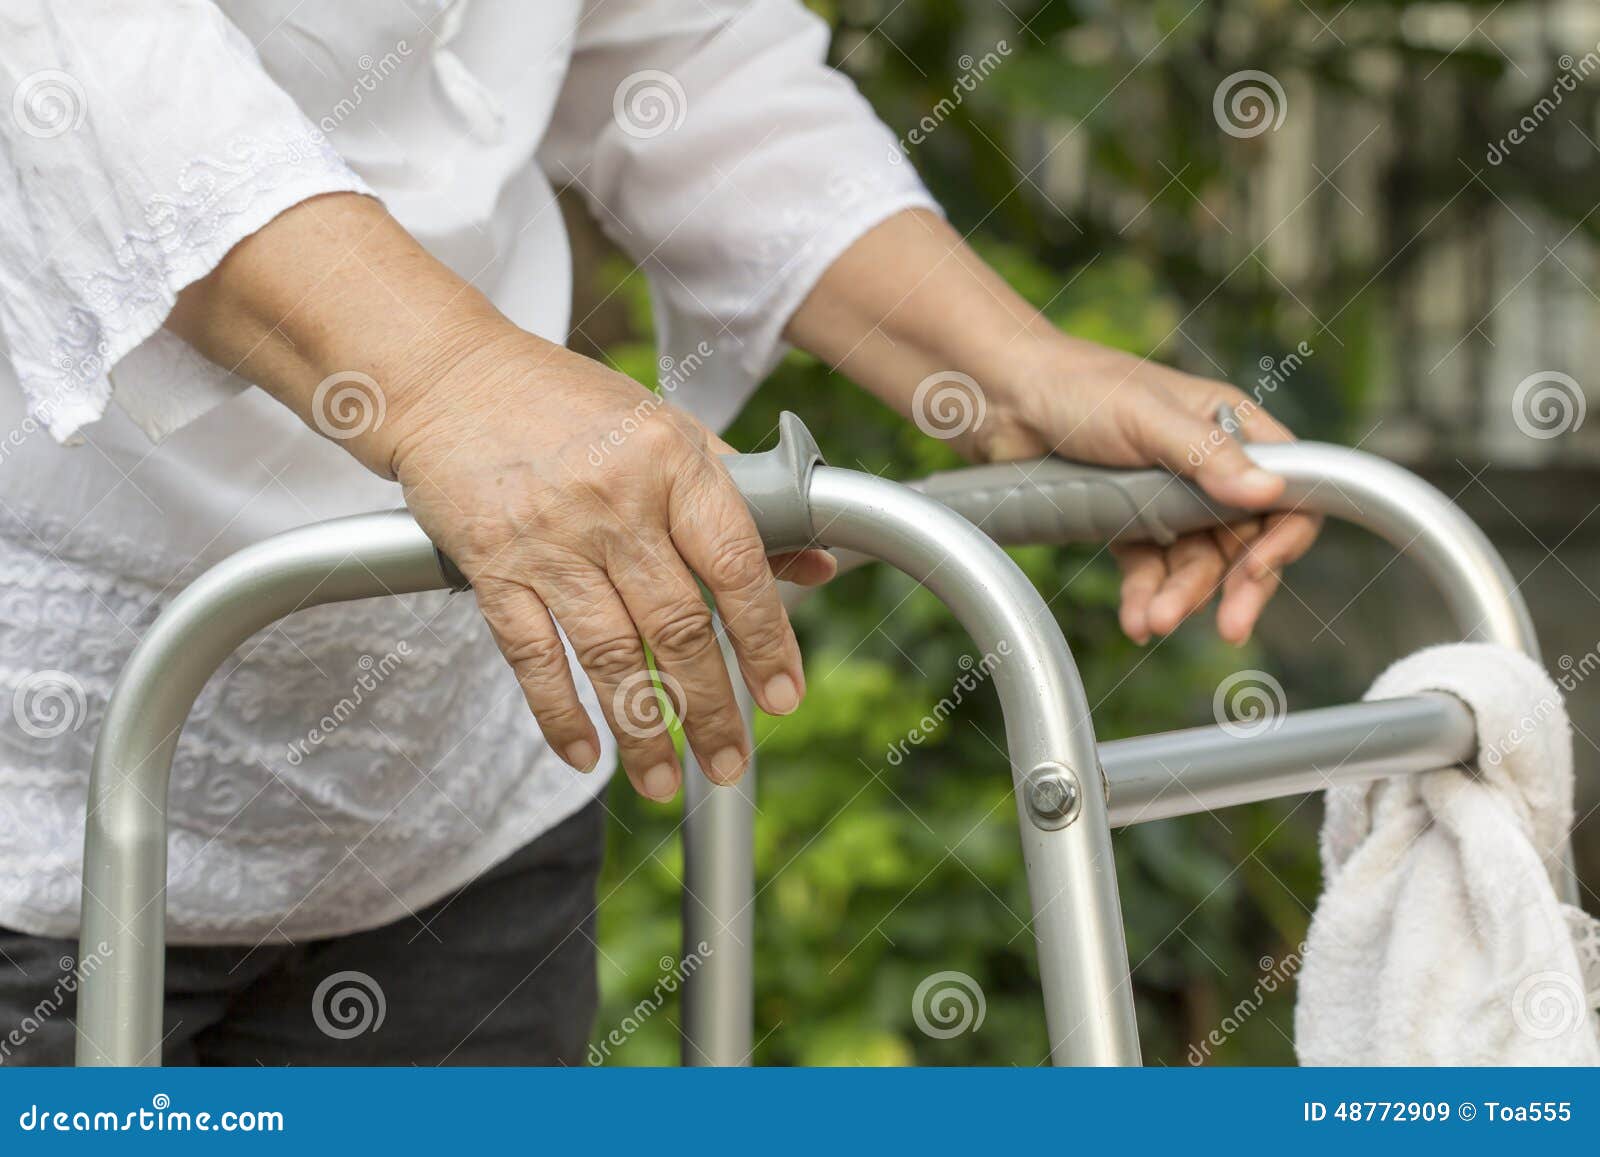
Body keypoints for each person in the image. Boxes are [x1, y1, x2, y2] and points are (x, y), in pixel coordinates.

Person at [0, 1, 1317, 1065]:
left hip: (461, 783)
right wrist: (453, 381)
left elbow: (674, 49)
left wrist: (1006, 364)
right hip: (49, 774)